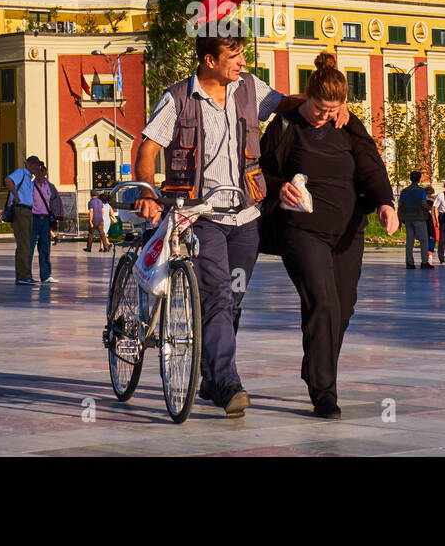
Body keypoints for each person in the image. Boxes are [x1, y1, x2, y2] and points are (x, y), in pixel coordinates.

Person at [135, 25, 343, 418]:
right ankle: (229, 382)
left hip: (246, 216)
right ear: (210, 60)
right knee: (216, 296)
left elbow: (286, 104)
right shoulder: (179, 98)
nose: (243, 62)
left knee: (233, 299)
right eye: (234, 57)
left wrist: (328, 105)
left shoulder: (248, 87)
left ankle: (212, 378)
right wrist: (147, 191)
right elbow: (148, 147)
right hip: (200, 216)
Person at [260, 52, 398, 418]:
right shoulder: (286, 126)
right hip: (302, 230)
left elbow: (371, 165)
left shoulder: (349, 126)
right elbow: (258, 174)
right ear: (307, 97)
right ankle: (324, 393)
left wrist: (386, 203)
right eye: (320, 107)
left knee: (344, 306)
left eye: (333, 108)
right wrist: (278, 188)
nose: (325, 115)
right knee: (322, 303)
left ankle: (315, 366)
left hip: (348, 231)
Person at [4, 163, 36, 285]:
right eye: (36, 165)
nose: (37, 168)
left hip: (27, 210)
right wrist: (16, 196)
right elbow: (8, 180)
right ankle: (23, 276)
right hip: (21, 209)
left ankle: (22, 275)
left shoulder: (29, 178)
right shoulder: (21, 173)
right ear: (29, 164)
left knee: (24, 244)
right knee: (24, 245)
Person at [28, 157, 57, 284]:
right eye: (38, 172)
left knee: (45, 248)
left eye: (42, 172)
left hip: (45, 220)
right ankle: (27, 275)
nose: (40, 175)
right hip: (33, 219)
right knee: (29, 248)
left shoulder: (50, 186)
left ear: (45, 173)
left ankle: (46, 275)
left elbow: (55, 201)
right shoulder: (30, 186)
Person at [397, 171, 431, 270]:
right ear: (420, 179)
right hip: (419, 218)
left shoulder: (404, 191)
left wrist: (399, 219)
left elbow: (400, 206)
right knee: (424, 241)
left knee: (409, 241)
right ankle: (424, 262)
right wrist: (430, 208)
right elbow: (424, 204)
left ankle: (409, 263)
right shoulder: (421, 191)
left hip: (408, 218)